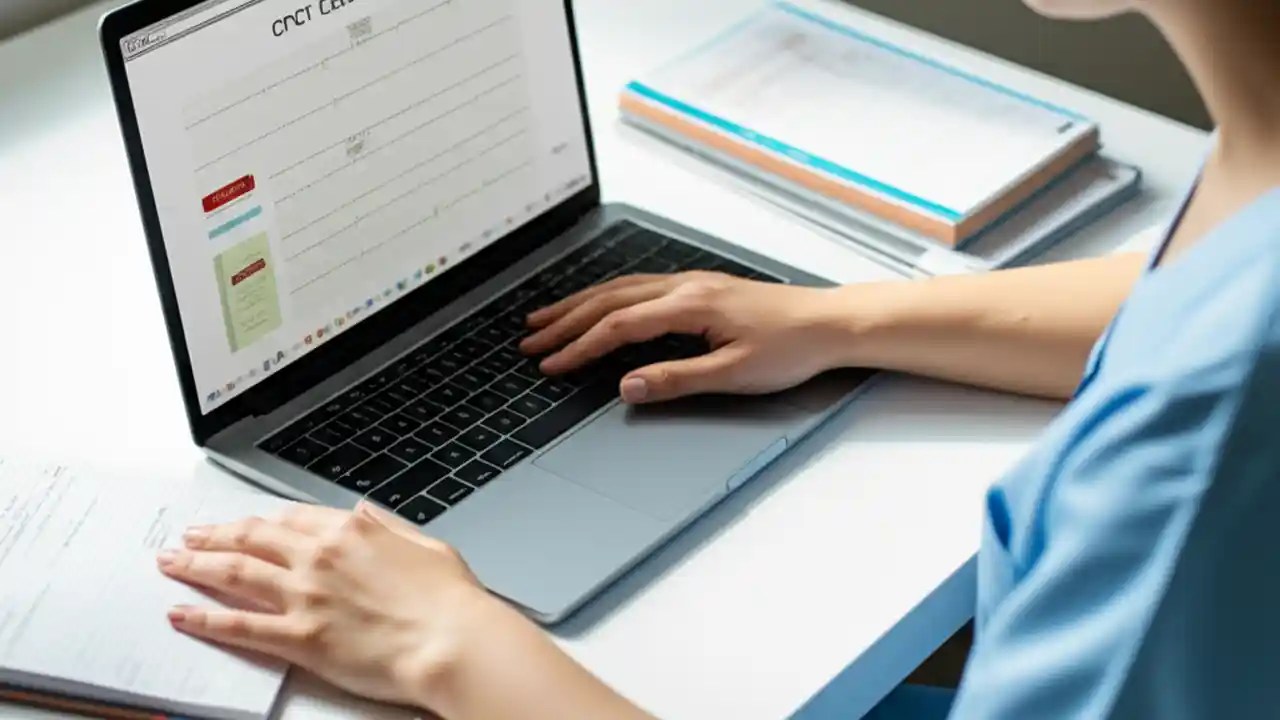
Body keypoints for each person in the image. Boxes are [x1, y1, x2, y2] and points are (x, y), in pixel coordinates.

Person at [153, 0, 1280, 717]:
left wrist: (446, 648)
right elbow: (1201, 281)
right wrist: (842, 320)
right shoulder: (1253, 144)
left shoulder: (1200, 440)